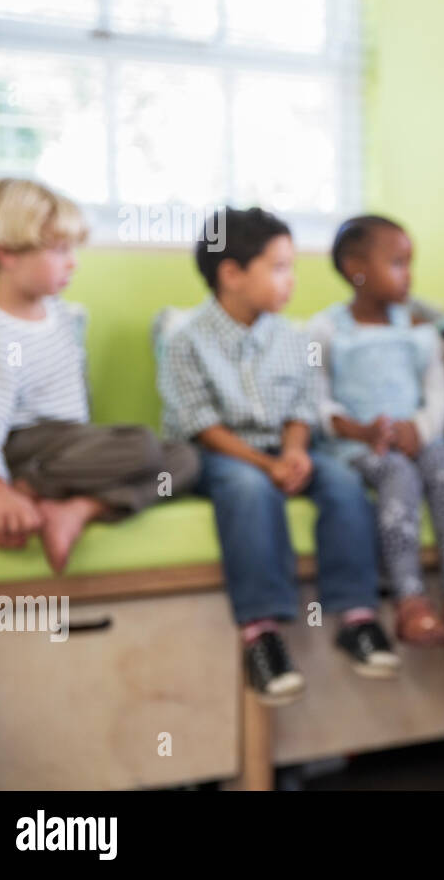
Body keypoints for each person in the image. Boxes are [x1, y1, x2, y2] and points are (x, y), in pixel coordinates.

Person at [158, 206, 399, 706]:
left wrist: (293, 453)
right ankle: (261, 632)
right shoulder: (185, 340)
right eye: (279, 267)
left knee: (342, 482)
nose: (291, 280)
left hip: (281, 446)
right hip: (221, 451)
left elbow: (301, 405)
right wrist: (266, 466)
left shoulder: (293, 337)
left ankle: (356, 616)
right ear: (232, 274)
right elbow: (201, 424)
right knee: (248, 490)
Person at [0, 177, 199, 572]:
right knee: (141, 445)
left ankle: (77, 509)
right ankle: (13, 493)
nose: (72, 261)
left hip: (72, 454)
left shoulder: (60, 315)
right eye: (59, 250)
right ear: (7, 253)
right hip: (22, 448)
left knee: (185, 458)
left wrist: (92, 461)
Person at [306, 215, 444, 653]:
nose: (409, 274)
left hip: (417, 436)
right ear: (356, 269)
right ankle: (410, 603)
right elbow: (314, 398)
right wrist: (358, 429)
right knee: (398, 477)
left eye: (410, 263)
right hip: (357, 443)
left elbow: (438, 393)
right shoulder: (326, 330)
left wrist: (420, 429)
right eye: (398, 263)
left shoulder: (420, 328)